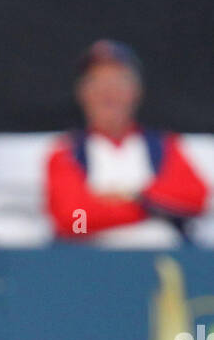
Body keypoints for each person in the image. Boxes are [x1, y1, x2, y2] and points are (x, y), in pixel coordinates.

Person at [46, 40, 208, 245]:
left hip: (159, 262)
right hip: (91, 263)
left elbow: (194, 198)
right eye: (97, 83)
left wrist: (131, 198)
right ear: (83, 94)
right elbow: (76, 222)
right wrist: (150, 209)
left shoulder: (162, 145)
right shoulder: (67, 151)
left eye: (118, 83)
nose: (108, 93)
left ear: (135, 92)